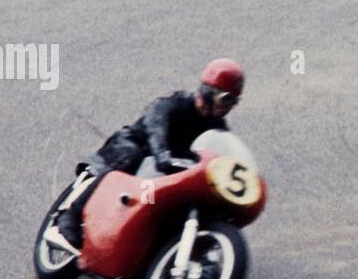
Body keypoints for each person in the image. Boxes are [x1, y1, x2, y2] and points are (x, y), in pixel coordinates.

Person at [48, 60, 246, 253]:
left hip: (165, 172)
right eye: (226, 99)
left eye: (234, 102)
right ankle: (70, 218)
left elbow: (219, 159)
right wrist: (162, 154)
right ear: (208, 92)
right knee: (129, 158)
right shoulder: (174, 104)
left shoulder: (218, 129)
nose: (229, 106)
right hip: (137, 147)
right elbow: (155, 128)